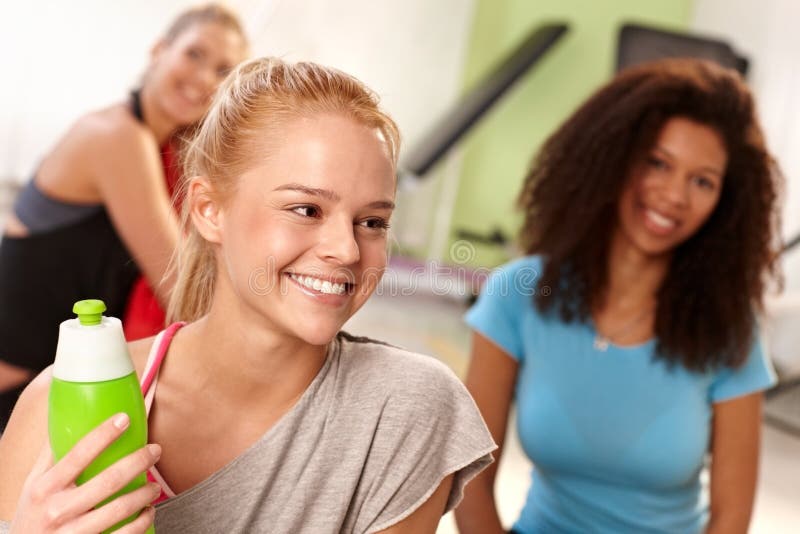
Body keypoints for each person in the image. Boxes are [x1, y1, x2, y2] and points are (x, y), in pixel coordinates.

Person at [0, 57, 497, 533]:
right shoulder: (53, 403)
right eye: (306, 210)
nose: (347, 249)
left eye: (372, 222)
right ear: (209, 210)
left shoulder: (406, 408)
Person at [455, 58, 781, 534]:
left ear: (726, 203)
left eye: (702, 181)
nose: (674, 195)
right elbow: (471, 481)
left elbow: (731, 518)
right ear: (612, 158)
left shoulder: (729, 325)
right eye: (657, 163)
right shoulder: (518, 295)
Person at [0, 4, 249, 427]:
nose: (204, 78)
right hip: (14, 393)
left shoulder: (164, 151)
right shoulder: (116, 138)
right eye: (194, 54)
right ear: (159, 50)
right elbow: (183, 288)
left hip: (53, 389)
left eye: (223, 70)